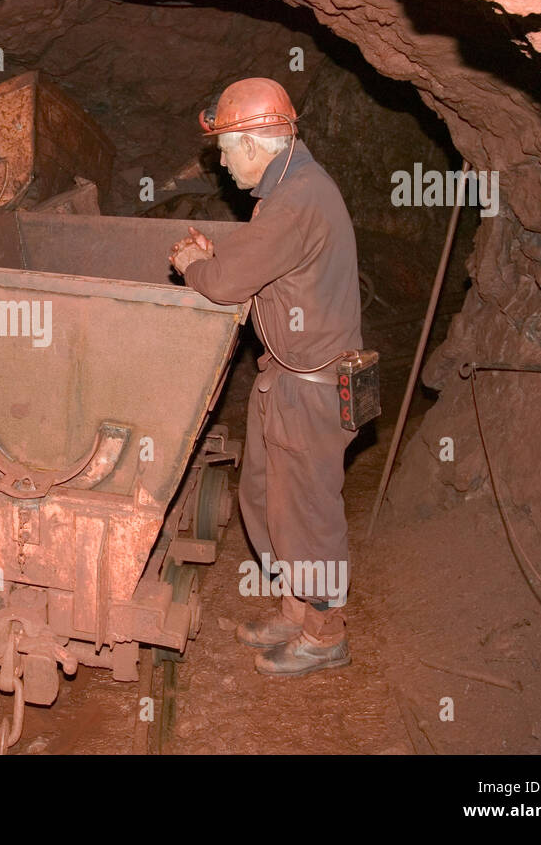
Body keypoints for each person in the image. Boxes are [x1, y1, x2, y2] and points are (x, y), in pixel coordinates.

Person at [169, 77, 363, 677]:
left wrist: (196, 264)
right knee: (268, 495)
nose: (222, 163)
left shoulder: (299, 197)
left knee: (307, 508)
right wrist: (216, 258)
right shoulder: (286, 191)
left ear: (255, 140)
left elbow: (228, 285)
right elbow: (264, 265)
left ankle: (325, 631)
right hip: (286, 378)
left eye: (226, 149)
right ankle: (294, 607)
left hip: (312, 385)